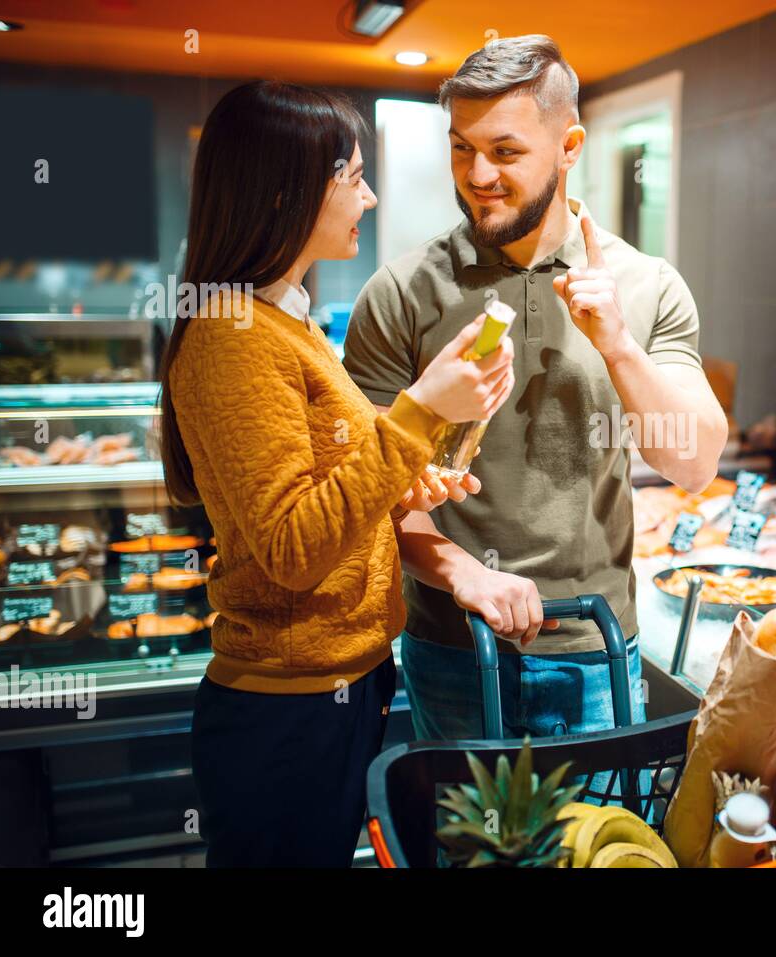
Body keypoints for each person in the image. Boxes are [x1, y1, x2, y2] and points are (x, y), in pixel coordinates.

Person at [158, 80, 515, 866]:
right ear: (285, 190)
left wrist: (408, 482)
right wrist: (420, 410)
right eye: (352, 176)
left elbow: (327, 491)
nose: (372, 195)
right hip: (285, 713)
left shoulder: (286, 313)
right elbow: (291, 547)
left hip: (338, 691)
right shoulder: (231, 336)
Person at [343, 36, 727, 743]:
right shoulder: (399, 292)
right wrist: (459, 570)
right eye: (461, 148)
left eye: (506, 151)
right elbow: (362, 491)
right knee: (467, 853)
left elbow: (695, 463)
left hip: (597, 650)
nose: (478, 173)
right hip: (454, 651)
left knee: (604, 850)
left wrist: (616, 342)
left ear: (570, 145)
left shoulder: (646, 286)